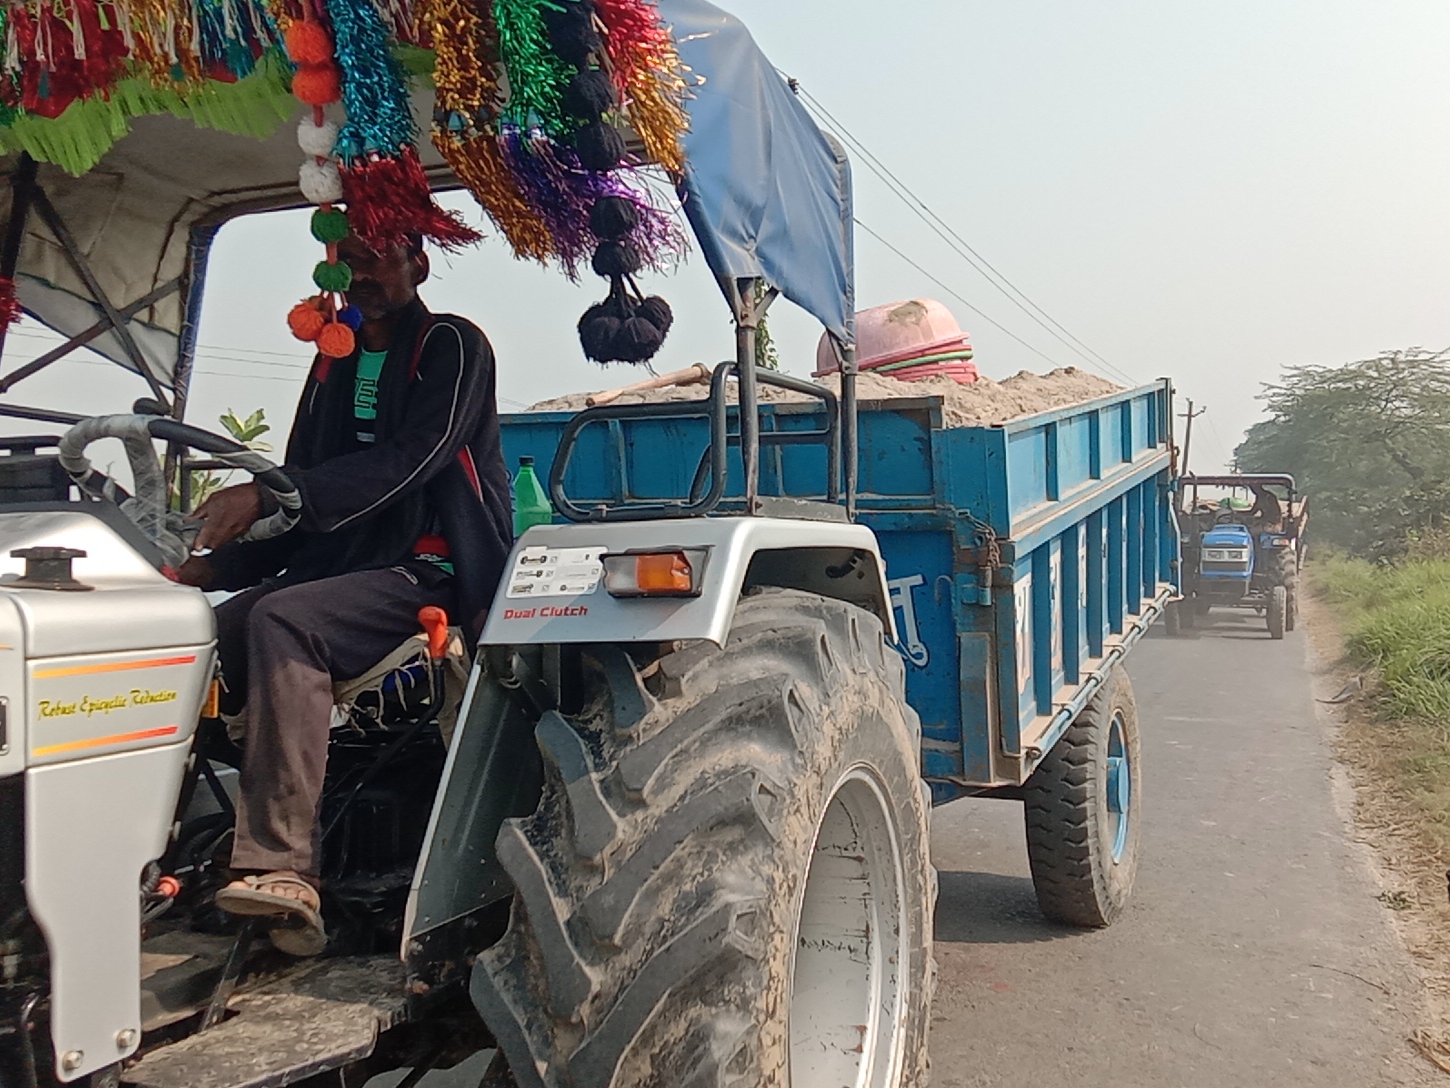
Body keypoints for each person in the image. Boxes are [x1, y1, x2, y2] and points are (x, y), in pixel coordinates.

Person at [177, 233, 514, 954]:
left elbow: (409, 462)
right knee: (197, 629)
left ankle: (283, 870)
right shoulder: (333, 361)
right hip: (341, 571)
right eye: (349, 260)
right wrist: (216, 566)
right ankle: (171, 847)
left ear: (415, 266)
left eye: (378, 257)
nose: (361, 274)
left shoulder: (452, 347)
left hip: (427, 570)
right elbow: (300, 499)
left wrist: (276, 489)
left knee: (284, 621)